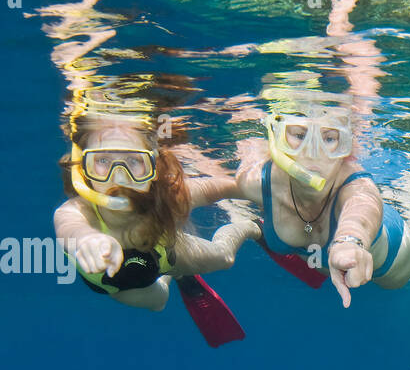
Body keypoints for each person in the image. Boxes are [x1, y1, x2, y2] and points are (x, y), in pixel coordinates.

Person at [235, 89, 410, 308]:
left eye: (328, 139)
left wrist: (351, 241)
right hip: (333, 256)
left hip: (389, 259)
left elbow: (358, 209)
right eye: (298, 135)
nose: (310, 151)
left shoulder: (354, 188)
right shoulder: (264, 180)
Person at [53, 108, 260, 314]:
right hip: (122, 285)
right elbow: (70, 228)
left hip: (169, 254)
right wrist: (88, 240)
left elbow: (220, 187)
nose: (119, 177)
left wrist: (256, 191)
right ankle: (175, 275)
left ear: (153, 168)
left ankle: (251, 227)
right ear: (83, 170)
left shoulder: (166, 197)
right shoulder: (76, 210)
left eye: (134, 161)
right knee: (159, 302)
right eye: (103, 161)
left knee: (225, 258)